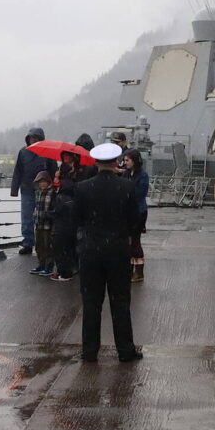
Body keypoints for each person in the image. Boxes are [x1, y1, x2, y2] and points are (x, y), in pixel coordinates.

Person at [73, 142, 142, 362]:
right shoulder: (127, 187)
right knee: (120, 301)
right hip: (117, 250)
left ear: (95, 162)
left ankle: (90, 351)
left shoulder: (82, 188)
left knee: (91, 302)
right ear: (116, 162)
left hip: (91, 251)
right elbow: (135, 220)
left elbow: (77, 219)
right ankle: (125, 350)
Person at [10, 128, 56, 255]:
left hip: (44, 191)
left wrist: (55, 189)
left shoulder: (48, 152)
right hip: (26, 190)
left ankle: (45, 244)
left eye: (36, 137)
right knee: (26, 218)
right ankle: (28, 243)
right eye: (31, 138)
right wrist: (14, 189)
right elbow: (18, 171)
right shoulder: (23, 152)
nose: (33, 140)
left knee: (44, 218)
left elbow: (53, 170)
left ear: (41, 139)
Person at [48, 151, 81, 282]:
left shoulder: (79, 171)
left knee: (63, 242)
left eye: (68, 156)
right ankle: (66, 269)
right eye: (64, 156)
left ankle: (66, 271)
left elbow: (74, 186)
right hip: (62, 206)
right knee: (63, 242)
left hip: (68, 208)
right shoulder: (62, 169)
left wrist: (61, 183)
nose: (66, 158)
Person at [124, 149, 150, 283]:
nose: (125, 162)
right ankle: (130, 269)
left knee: (135, 241)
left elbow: (140, 193)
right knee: (129, 242)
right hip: (128, 211)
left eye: (127, 160)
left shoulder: (143, 176)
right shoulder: (127, 174)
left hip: (138, 211)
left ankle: (139, 271)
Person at [31, 171, 56, 276]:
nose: (42, 184)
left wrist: (49, 216)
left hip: (47, 225)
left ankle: (49, 267)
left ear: (48, 182)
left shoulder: (52, 193)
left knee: (48, 246)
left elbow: (54, 208)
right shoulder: (37, 192)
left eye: (44, 181)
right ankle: (41, 264)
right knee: (39, 246)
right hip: (38, 224)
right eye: (40, 182)